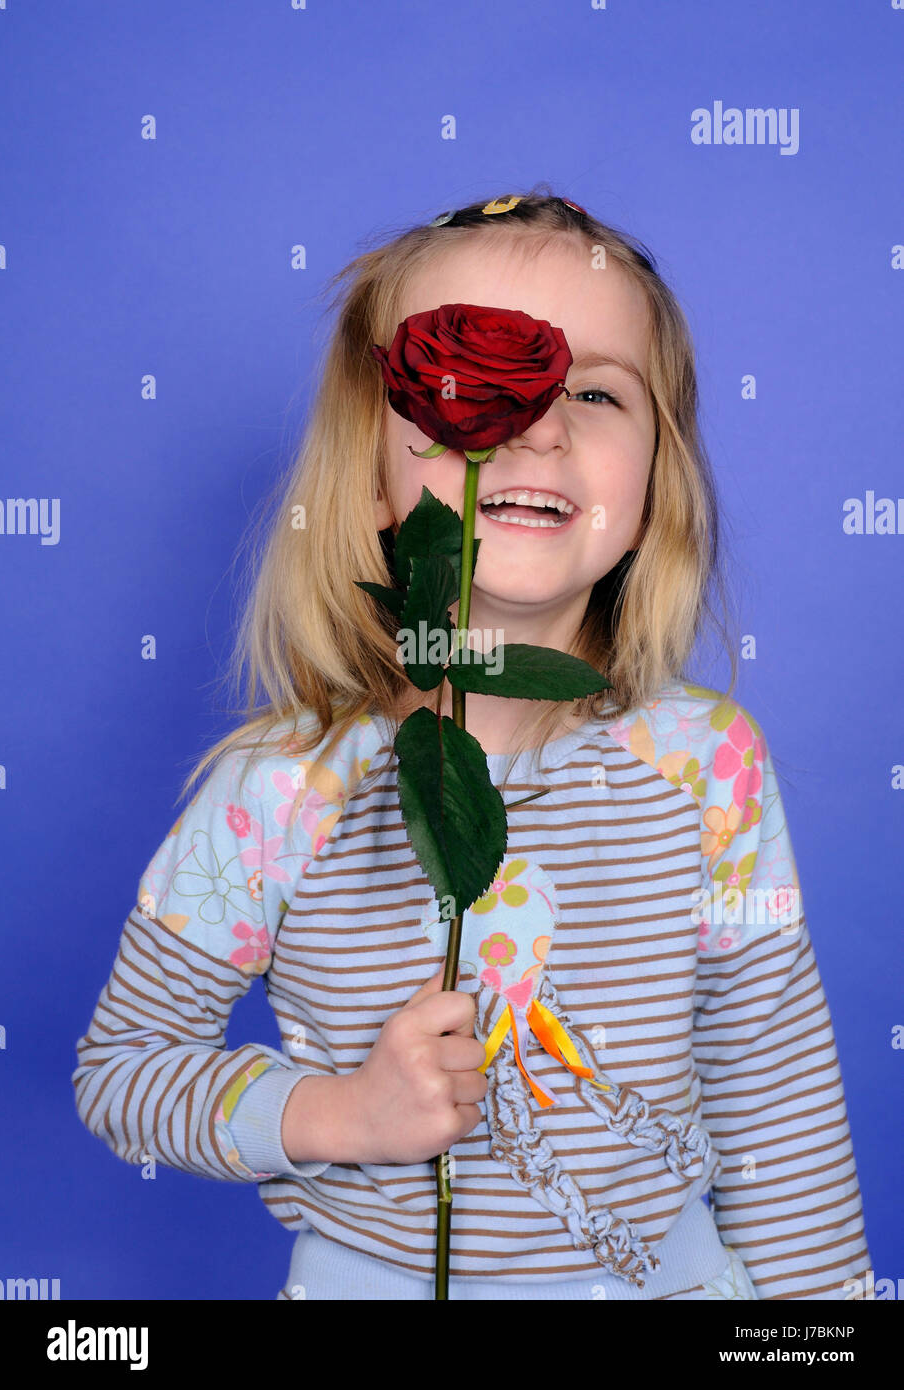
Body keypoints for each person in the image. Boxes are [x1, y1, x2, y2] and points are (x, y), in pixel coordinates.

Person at [72, 188, 871, 1301]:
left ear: (657, 476)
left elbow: (774, 1104)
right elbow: (123, 1072)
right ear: (372, 465)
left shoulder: (708, 764)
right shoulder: (286, 790)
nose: (535, 426)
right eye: (467, 394)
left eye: (595, 390)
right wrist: (338, 1113)